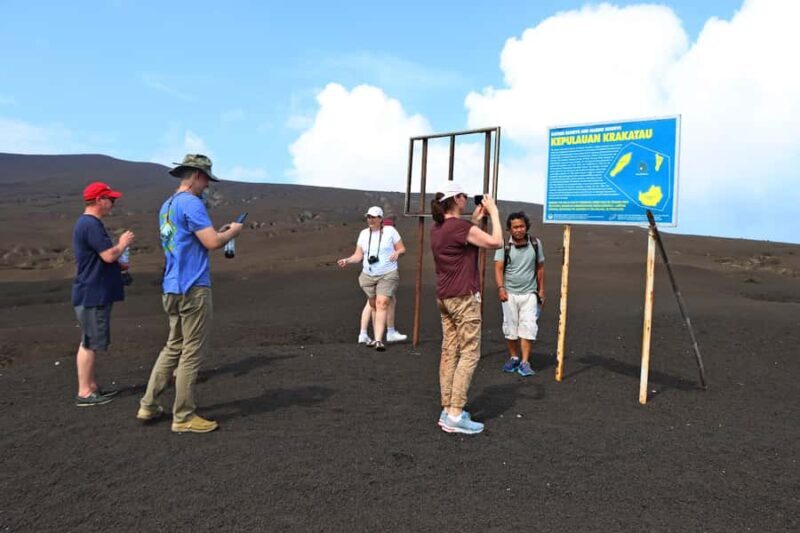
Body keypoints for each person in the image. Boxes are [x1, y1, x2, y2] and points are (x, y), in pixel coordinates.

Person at [137, 154, 243, 434]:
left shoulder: (167, 206)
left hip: (171, 286)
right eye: (206, 178)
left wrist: (218, 232)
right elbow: (210, 242)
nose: (207, 185)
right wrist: (232, 233)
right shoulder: (192, 203)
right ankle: (183, 416)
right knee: (191, 352)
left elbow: (191, 239)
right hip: (193, 287)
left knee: (173, 346)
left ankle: (148, 404)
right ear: (196, 175)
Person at [430, 181, 502, 435]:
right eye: (464, 196)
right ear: (457, 199)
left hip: (445, 297)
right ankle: (455, 414)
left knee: (449, 351)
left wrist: (473, 219)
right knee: (469, 354)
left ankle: (447, 408)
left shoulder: (438, 228)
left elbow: (463, 241)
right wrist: (493, 212)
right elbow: (496, 242)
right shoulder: (459, 228)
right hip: (463, 298)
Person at [71, 182, 135, 406]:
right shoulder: (90, 224)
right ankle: (85, 392)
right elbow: (108, 256)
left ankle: (91, 387)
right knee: (89, 342)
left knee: (88, 339)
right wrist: (123, 244)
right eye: (110, 200)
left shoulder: (88, 224)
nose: (112, 204)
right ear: (99, 200)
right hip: (93, 293)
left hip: (92, 291)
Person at [338, 206, 405, 351]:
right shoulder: (363, 234)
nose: (370, 220)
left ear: (381, 219)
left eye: (374, 217)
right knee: (374, 306)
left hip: (387, 273)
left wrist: (398, 253)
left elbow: (401, 248)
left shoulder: (390, 231)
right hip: (368, 276)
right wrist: (348, 260)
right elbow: (358, 255)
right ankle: (375, 338)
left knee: (382, 303)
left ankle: (379, 340)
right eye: (369, 217)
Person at [494, 211, 545, 377]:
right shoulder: (504, 245)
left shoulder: (536, 243)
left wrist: (541, 290)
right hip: (509, 293)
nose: (518, 230)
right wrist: (501, 288)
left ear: (526, 227)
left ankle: (525, 362)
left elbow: (540, 267)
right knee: (510, 326)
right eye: (515, 227)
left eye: (521, 226)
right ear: (509, 229)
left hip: (529, 293)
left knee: (529, 326)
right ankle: (514, 356)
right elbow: (498, 268)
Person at [357, 217, 407, 344]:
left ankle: (381, 333)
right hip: (376, 274)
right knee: (373, 304)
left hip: (382, 275)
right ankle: (370, 333)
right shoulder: (377, 235)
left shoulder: (386, 235)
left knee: (385, 302)